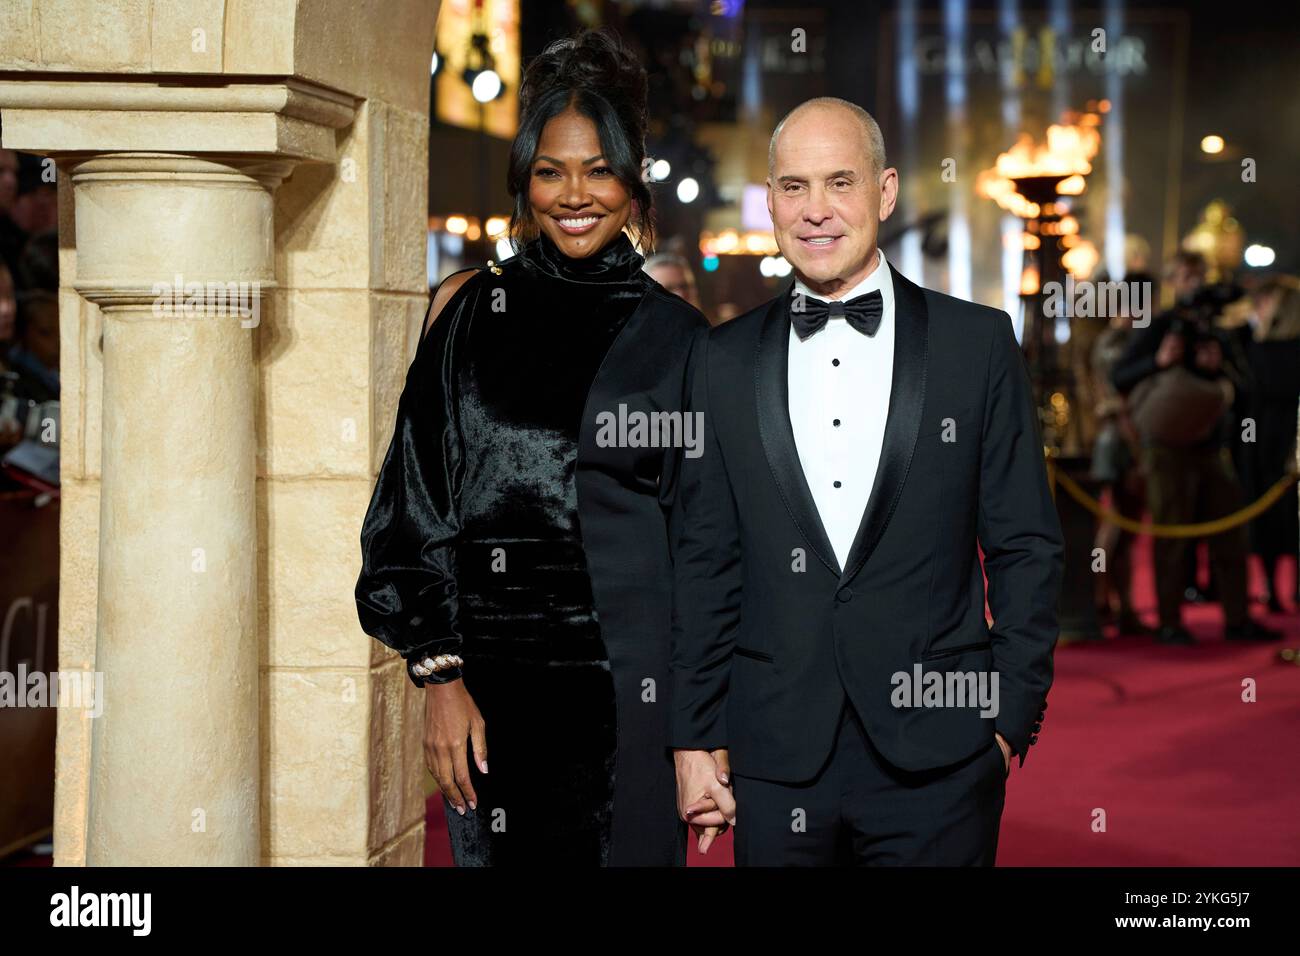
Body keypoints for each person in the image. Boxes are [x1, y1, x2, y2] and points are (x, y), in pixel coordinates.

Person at [668, 97, 1063, 865]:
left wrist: (1010, 716)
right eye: (793, 187)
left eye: (839, 183)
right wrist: (692, 735)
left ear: (883, 192)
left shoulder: (975, 345)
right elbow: (704, 560)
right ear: (772, 200)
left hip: (942, 757)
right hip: (774, 756)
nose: (815, 211)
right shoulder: (719, 361)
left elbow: (1026, 545)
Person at [355, 29, 706, 866]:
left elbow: (706, 549)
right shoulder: (472, 314)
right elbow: (412, 506)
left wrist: (703, 731)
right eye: (551, 171)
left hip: (636, 706)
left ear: (632, 180)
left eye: (598, 169)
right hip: (494, 705)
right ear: (525, 182)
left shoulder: (681, 339)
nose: (574, 194)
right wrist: (440, 679)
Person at [1109, 252, 1281, 644]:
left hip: (1209, 447)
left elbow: (1247, 389)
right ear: (1173, 281)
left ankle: (1237, 619)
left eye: (1199, 275)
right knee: (1171, 536)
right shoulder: (1163, 326)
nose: (1195, 283)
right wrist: (1159, 360)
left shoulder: (1219, 332)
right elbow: (1120, 376)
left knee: (1230, 532)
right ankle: (1169, 622)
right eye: (1186, 276)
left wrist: (1218, 367)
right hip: (1165, 447)